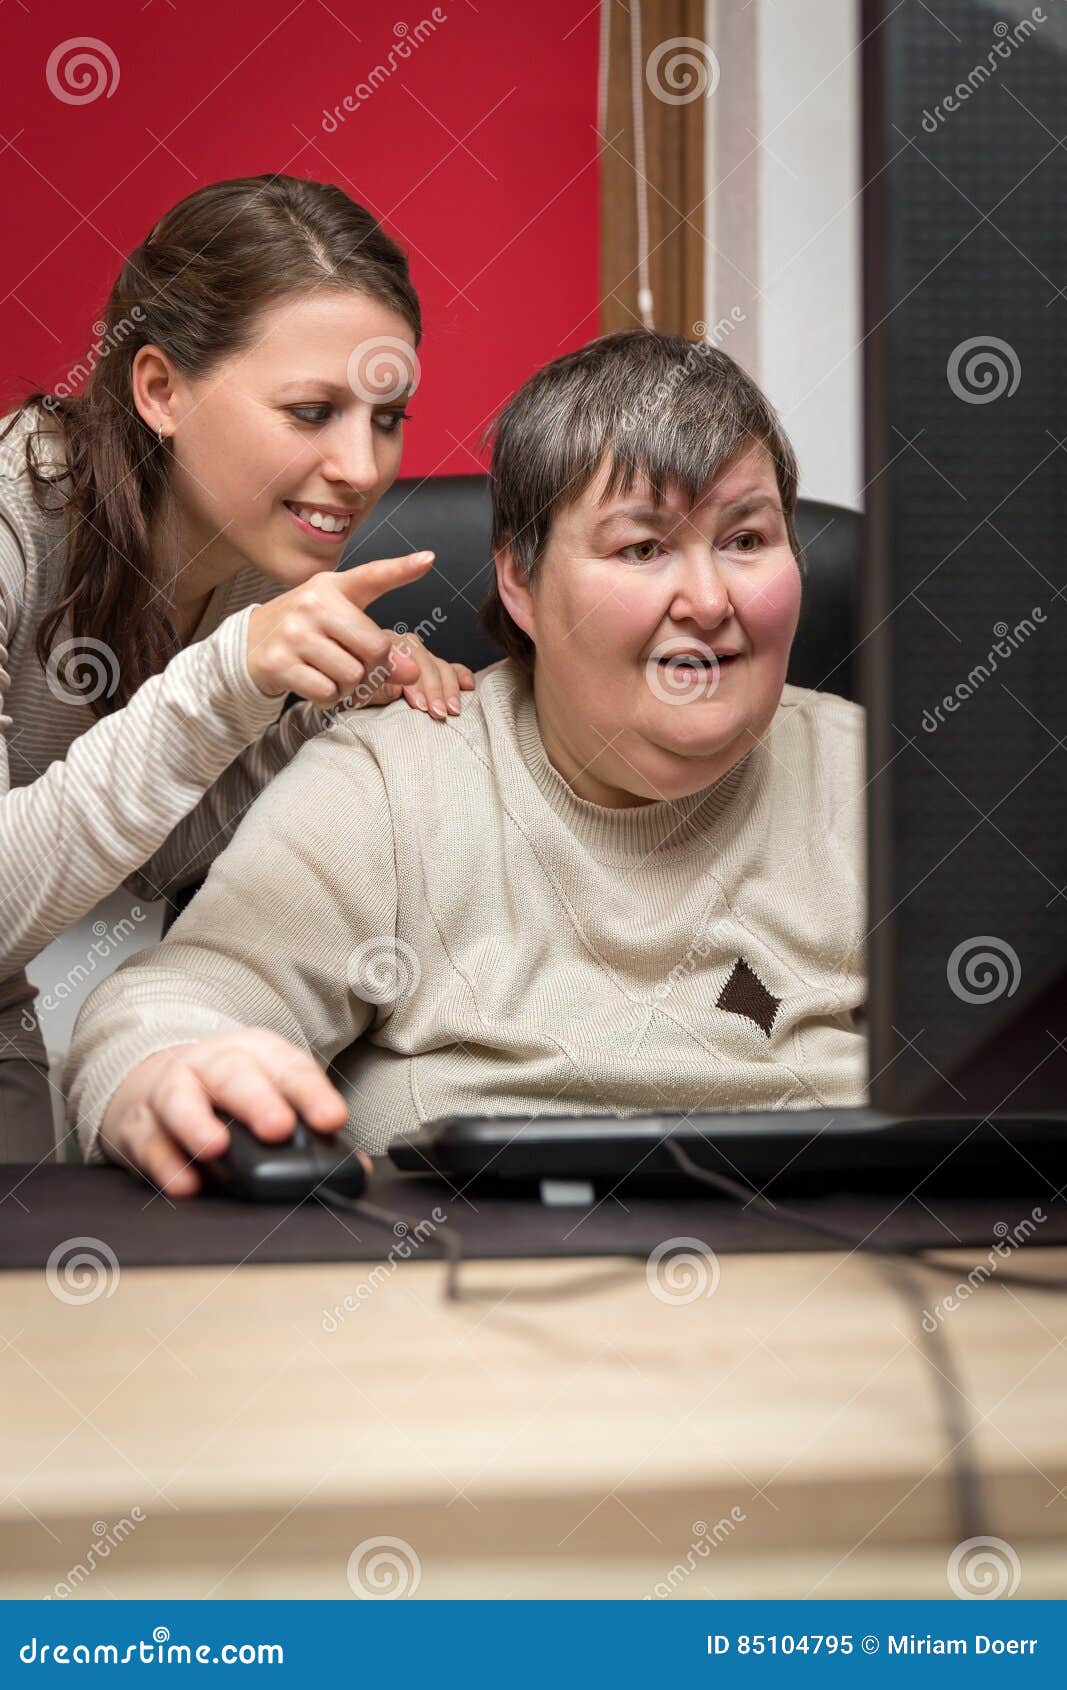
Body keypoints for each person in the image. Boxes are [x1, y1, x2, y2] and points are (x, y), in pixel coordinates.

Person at [64, 330, 868, 1197]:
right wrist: (170, 1071)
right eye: (641, 549)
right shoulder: (389, 783)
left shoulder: (885, 789)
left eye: (746, 540)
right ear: (519, 581)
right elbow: (172, 1006)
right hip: (452, 1298)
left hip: (844, 1285)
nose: (710, 601)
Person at [0, 174, 475, 1161]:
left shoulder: (267, 559)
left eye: (386, 417)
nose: (360, 466)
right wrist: (228, 680)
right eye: (311, 411)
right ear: (160, 390)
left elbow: (156, 864)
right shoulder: (16, 522)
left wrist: (313, 705)